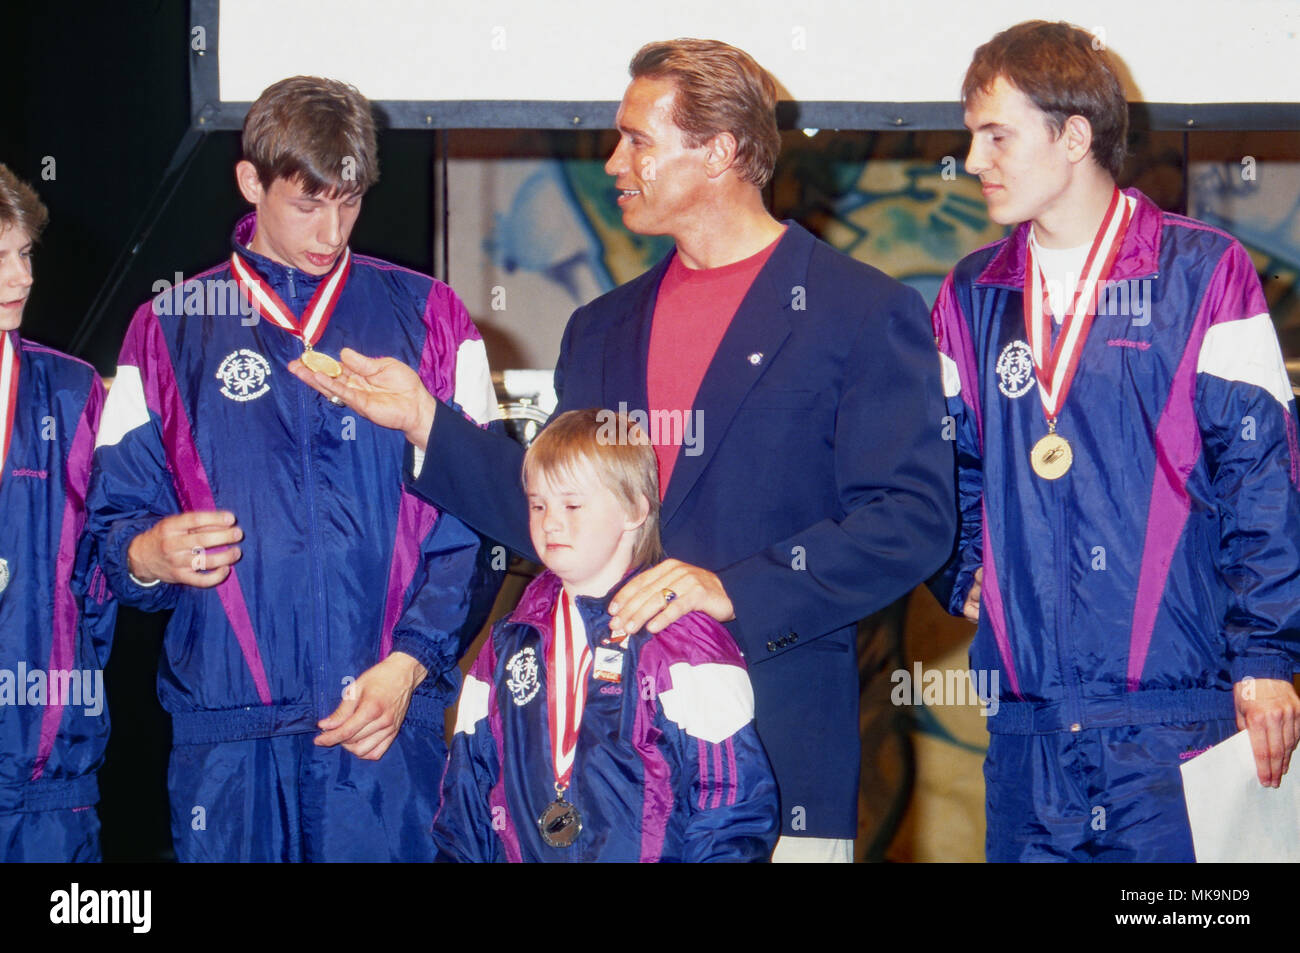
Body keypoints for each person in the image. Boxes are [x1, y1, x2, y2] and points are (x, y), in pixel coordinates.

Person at [292, 39, 956, 862]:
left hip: (780, 761)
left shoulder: (857, 310)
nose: (614, 161)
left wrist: (732, 589)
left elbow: (912, 520)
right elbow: (559, 513)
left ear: (719, 150)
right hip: (600, 779)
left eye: (638, 139)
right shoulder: (601, 329)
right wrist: (426, 421)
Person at [84, 77, 502, 862]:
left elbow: (475, 522)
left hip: (384, 722)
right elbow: (114, 533)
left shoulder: (432, 315)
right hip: (229, 741)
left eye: (348, 201)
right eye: (308, 203)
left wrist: (411, 666)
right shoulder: (166, 328)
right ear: (251, 181)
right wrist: (149, 554)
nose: (331, 228)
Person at [929, 20, 1300, 861]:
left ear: (1073, 136)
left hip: (1176, 726)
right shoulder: (972, 294)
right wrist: (959, 566)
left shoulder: (1204, 272)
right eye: (971, 136)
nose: (973, 159)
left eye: (996, 135)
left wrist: (1267, 656)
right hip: (1028, 729)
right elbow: (938, 464)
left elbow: (1263, 478)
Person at [432, 409, 778, 861]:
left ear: (635, 509)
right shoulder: (505, 645)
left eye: (572, 505)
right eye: (538, 504)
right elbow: (465, 802)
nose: (550, 522)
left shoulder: (685, 642)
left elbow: (731, 810)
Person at [0, 164, 116, 861]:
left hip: (49, 787)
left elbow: (103, 577)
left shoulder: (72, 393)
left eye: (24, 253)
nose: (23, 278)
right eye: (0, 259)